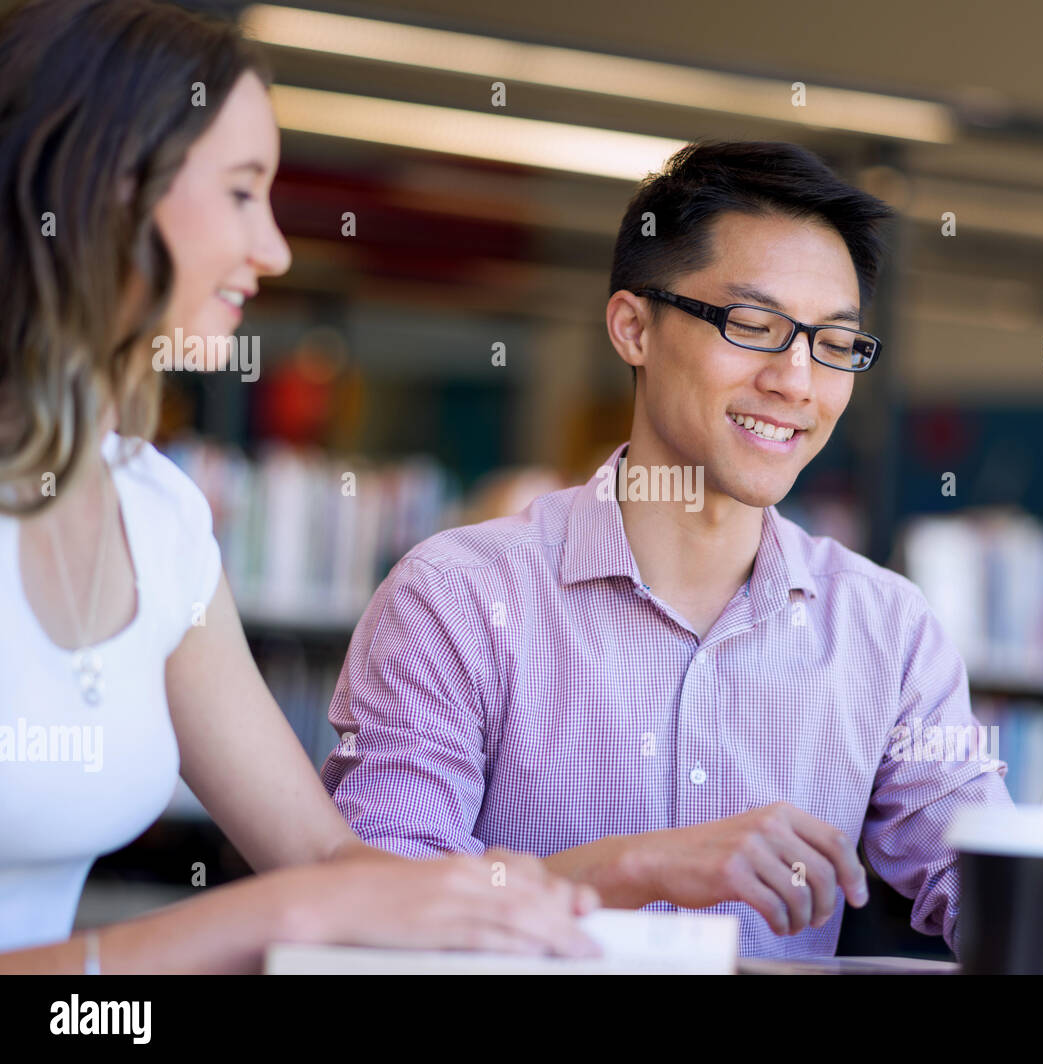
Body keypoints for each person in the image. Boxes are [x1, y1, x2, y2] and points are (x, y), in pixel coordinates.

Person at [322, 140, 1043, 970]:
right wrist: (629, 866)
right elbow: (373, 898)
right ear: (633, 325)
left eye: (835, 344)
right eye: (752, 325)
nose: (796, 380)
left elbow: (972, 880)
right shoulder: (457, 596)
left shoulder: (883, 627)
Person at [0, 0, 598, 974]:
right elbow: (308, 894)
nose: (274, 250)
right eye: (242, 193)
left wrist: (571, 893)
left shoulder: (158, 516)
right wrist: (254, 918)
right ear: (105, 189)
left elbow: (326, 859)